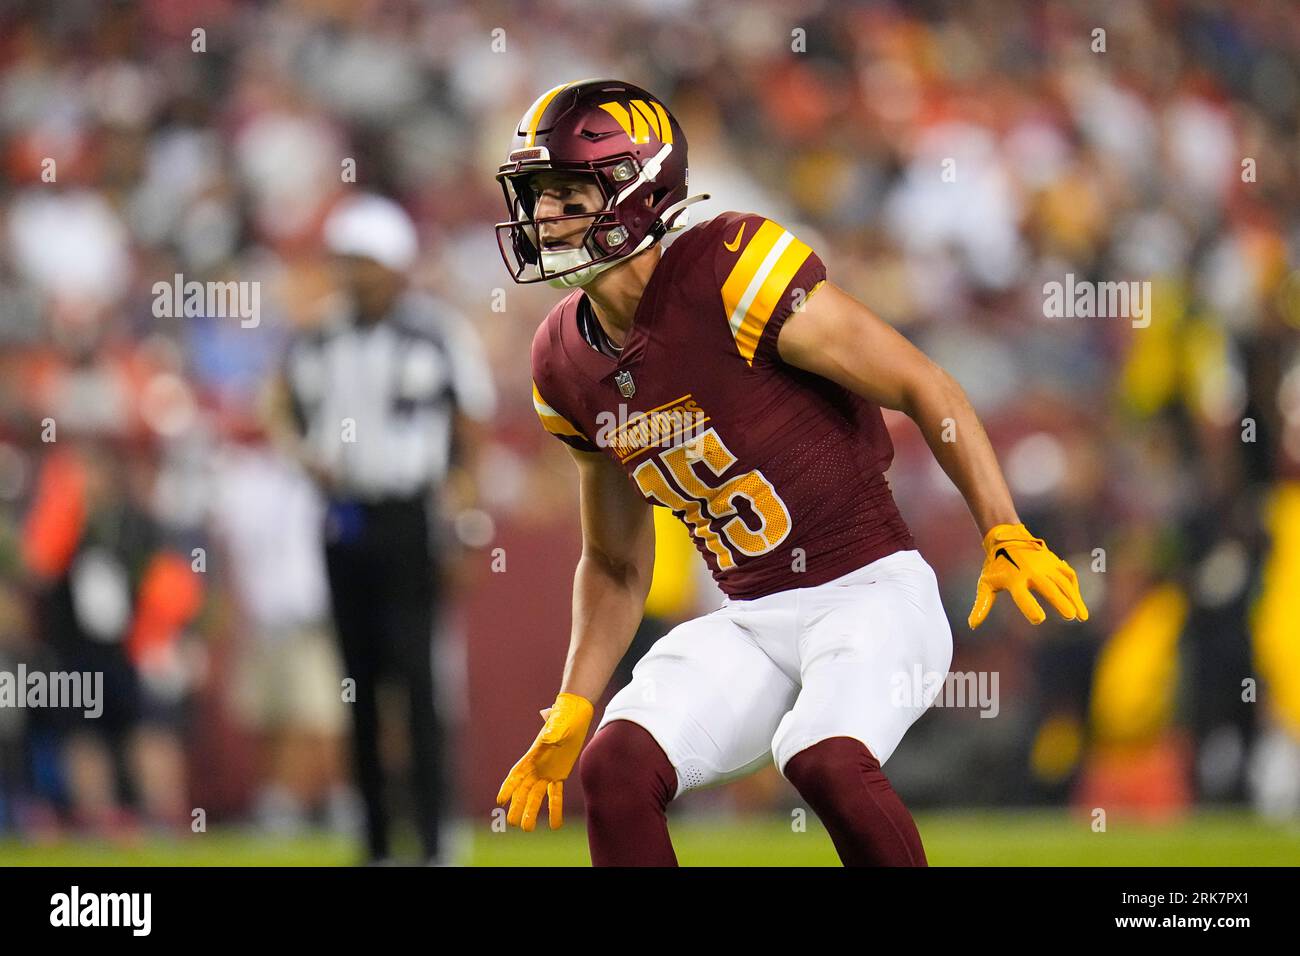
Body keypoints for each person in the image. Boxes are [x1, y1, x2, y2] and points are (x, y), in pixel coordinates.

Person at [493, 79, 1089, 866]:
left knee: (823, 757)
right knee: (615, 765)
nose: (543, 217)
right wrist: (574, 700)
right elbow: (611, 558)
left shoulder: (731, 269)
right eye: (537, 195)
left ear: (638, 190)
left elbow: (924, 386)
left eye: (568, 192)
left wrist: (1001, 528)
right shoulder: (561, 362)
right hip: (751, 616)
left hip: (871, 590)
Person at [271, 193, 495, 864]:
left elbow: (470, 429)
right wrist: (299, 451)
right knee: (358, 684)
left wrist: (465, 520)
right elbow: (279, 404)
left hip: (410, 513)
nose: (351, 276)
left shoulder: (435, 331)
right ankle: (373, 839)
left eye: (362, 263)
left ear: (395, 265)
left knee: (418, 683)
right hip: (345, 519)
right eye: (345, 262)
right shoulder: (319, 336)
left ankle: (432, 835)